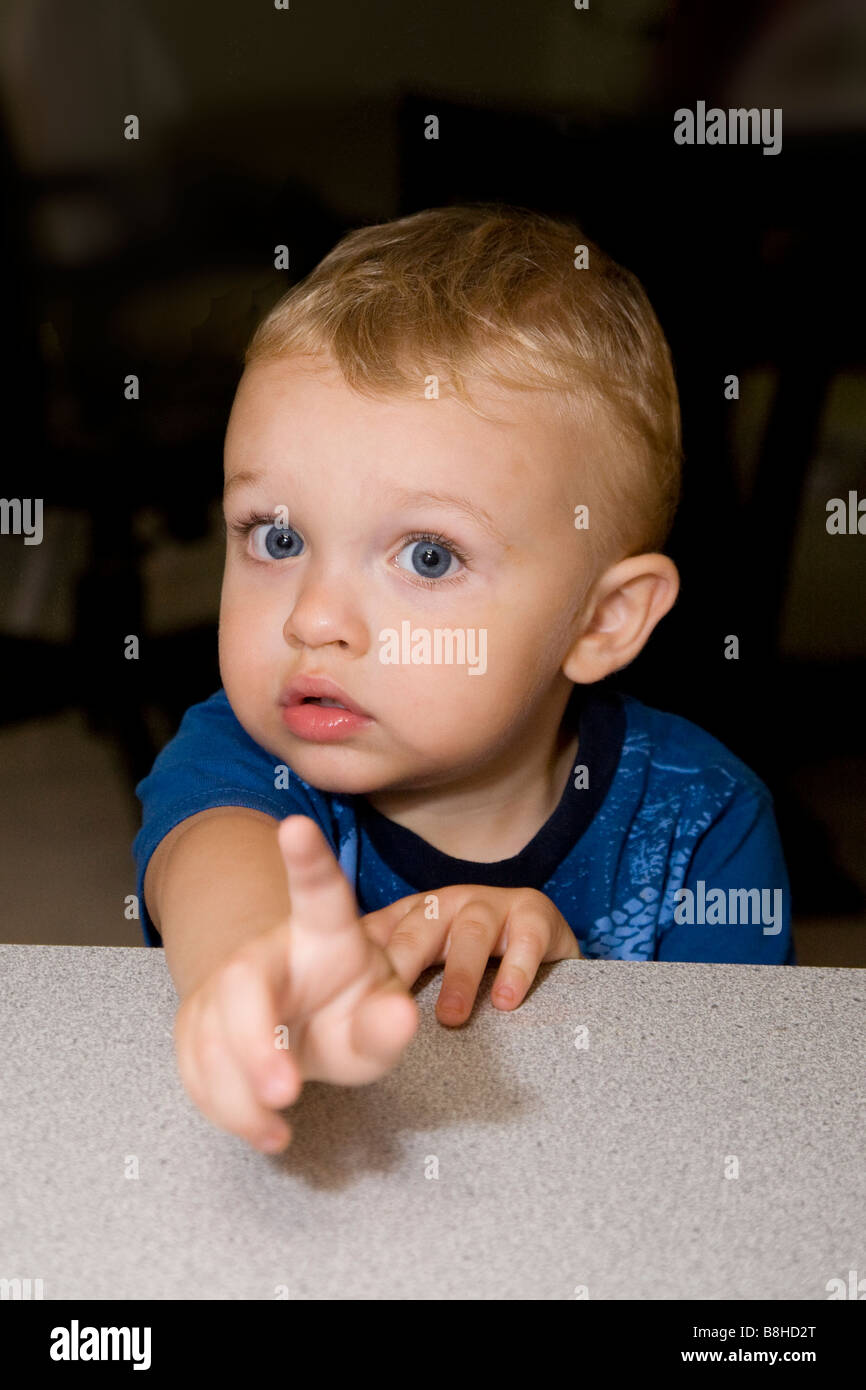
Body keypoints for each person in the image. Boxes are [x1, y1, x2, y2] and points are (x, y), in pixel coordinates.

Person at [133, 204, 794, 1155]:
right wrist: (273, 978)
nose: (312, 618)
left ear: (603, 621)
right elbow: (224, 886)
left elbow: (741, 1129)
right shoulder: (238, 765)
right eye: (277, 538)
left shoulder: (708, 824)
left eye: (429, 558)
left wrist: (591, 997)